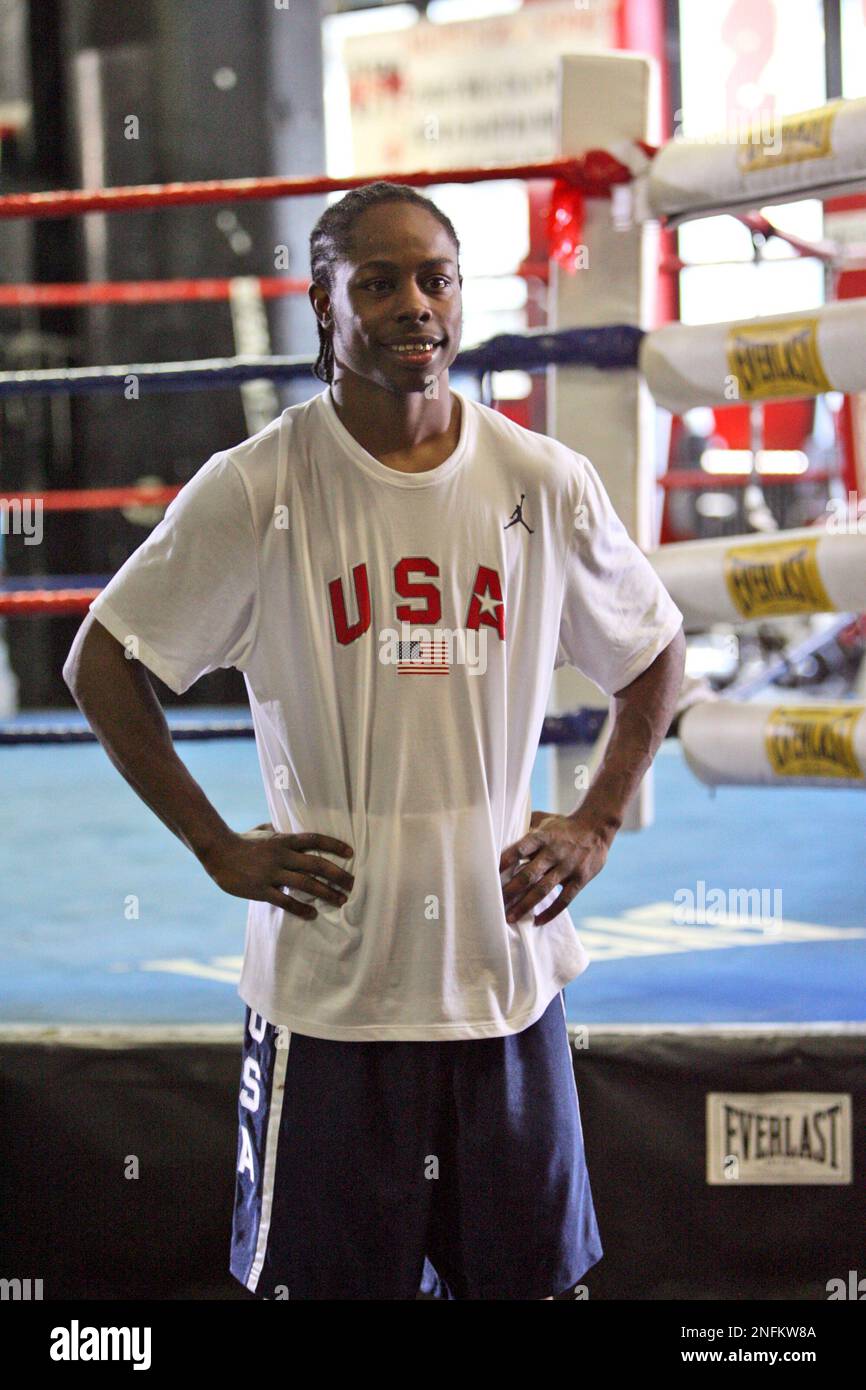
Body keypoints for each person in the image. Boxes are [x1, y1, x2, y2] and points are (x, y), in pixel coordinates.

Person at [63, 180, 686, 1300]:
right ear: (322, 303)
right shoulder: (258, 487)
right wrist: (215, 845)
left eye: (436, 278)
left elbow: (651, 649)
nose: (416, 305)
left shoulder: (539, 480)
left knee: (530, 1285)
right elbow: (98, 662)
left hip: (502, 974)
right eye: (379, 281)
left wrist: (595, 819)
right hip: (331, 988)